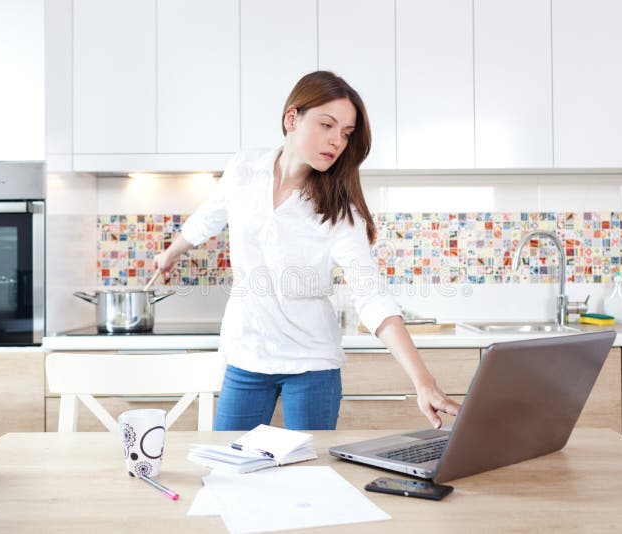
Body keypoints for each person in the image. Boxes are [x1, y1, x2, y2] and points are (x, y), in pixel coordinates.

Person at [154, 71, 460, 431]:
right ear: (291, 119)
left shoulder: (340, 212)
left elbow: (372, 297)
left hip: (312, 366)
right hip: (246, 356)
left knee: (309, 476)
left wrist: (423, 381)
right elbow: (210, 215)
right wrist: (171, 252)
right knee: (230, 469)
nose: (337, 141)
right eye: (327, 125)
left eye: (345, 133)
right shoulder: (244, 167)